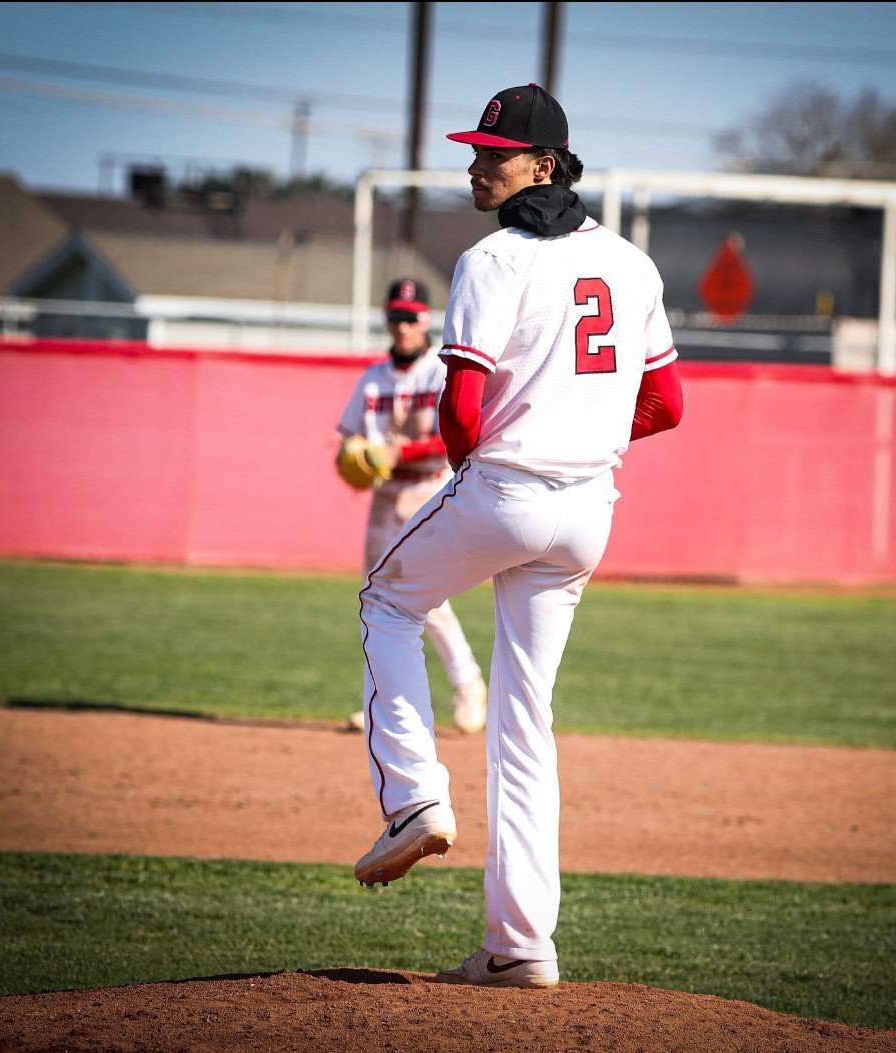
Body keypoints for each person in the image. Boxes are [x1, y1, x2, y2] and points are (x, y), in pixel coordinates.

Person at [352, 83, 683, 990]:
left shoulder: (492, 259)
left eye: (493, 153)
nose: (476, 164)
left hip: (508, 486)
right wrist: (587, 436)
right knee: (525, 719)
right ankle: (521, 944)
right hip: (589, 512)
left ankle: (414, 795)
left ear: (545, 162)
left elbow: (462, 407)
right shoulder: (633, 264)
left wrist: (487, 475)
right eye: (475, 149)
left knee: (386, 597)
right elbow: (668, 404)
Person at [336, 278, 487, 735]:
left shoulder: (438, 371)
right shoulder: (373, 378)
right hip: (385, 497)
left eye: (411, 317)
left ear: (426, 320)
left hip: (431, 489)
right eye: (395, 317)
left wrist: (399, 453)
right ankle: (385, 703)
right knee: (378, 600)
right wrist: (352, 459)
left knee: (421, 596)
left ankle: (466, 683)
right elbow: (347, 439)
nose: (402, 326)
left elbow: (454, 433)